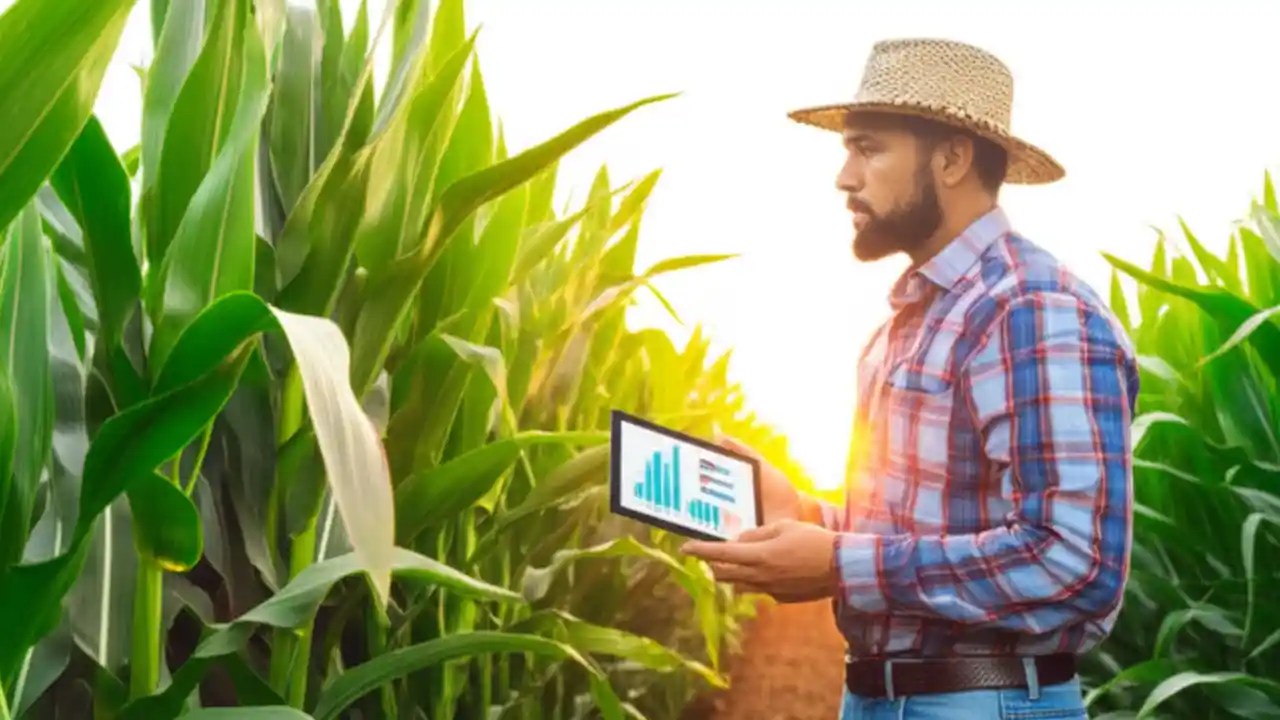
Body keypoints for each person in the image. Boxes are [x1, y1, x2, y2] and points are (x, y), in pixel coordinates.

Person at [680, 38, 1138, 719]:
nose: (844, 176)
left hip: (988, 702)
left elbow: (1070, 560)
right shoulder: (907, 323)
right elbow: (926, 527)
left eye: (868, 148)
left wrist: (837, 562)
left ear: (952, 158)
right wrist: (805, 515)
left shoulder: (1030, 311)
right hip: (879, 698)